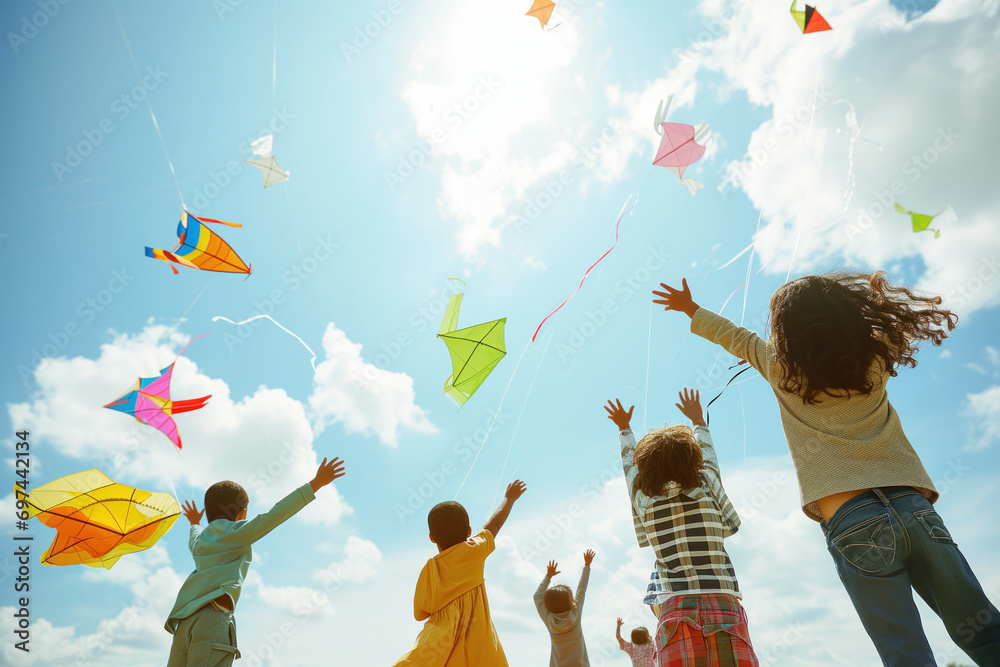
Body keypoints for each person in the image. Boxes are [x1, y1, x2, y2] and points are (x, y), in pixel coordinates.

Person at [653, 271, 1000, 665]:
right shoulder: (872, 361)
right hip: (915, 509)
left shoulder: (780, 369)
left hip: (852, 521)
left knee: (905, 653)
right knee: (984, 629)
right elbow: (872, 326)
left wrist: (690, 308)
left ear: (785, 331)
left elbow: (736, 336)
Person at [606, 389, 758, 666]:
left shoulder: (644, 501)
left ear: (645, 469)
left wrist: (624, 429)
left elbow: (629, 468)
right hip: (723, 603)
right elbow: (710, 458)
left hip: (675, 606)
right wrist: (699, 421)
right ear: (694, 462)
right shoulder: (707, 486)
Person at [165, 456, 346, 666]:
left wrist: (195, 522)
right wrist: (316, 483)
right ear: (242, 513)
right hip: (211, 620)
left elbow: (193, 539)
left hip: (184, 623)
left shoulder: (201, 542)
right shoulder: (238, 533)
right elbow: (277, 513)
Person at [392, 480, 527, 667]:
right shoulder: (475, 550)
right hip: (479, 645)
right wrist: (509, 499)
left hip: (438, 649)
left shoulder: (430, 568)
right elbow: (494, 524)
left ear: (431, 537)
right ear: (469, 532)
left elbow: (420, 614)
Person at [534, 550, 595, 666]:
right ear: (569, 601)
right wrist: (587, 565)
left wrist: (548, 576)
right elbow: (581, 589)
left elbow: (537, 596)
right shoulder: (575, 613)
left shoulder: (549, 619)